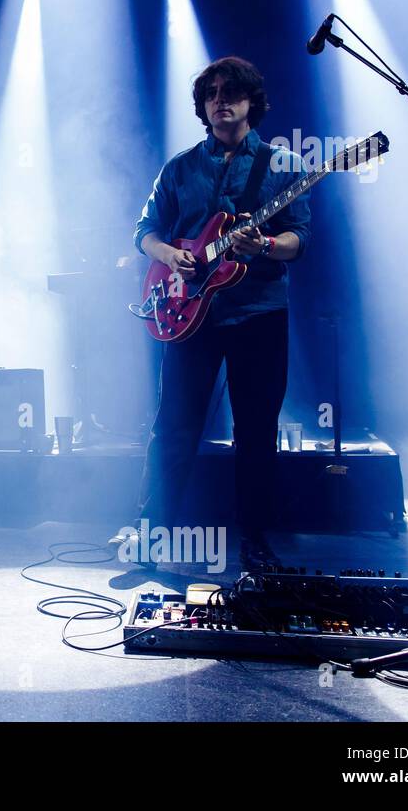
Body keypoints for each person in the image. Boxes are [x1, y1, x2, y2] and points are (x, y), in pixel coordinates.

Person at [119, 56, 311, 568]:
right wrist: (170, 256)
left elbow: (300, 240)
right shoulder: (180, 167)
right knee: (175, 428)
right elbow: (145, 232)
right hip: (186, 313)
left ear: (253, 101)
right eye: (211, 93)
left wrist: (265, 244)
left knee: (256, 430)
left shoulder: (282, 164)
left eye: (231, 91)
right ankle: (148, 535)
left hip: (259, 313)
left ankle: (254, 539)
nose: (220, 100)